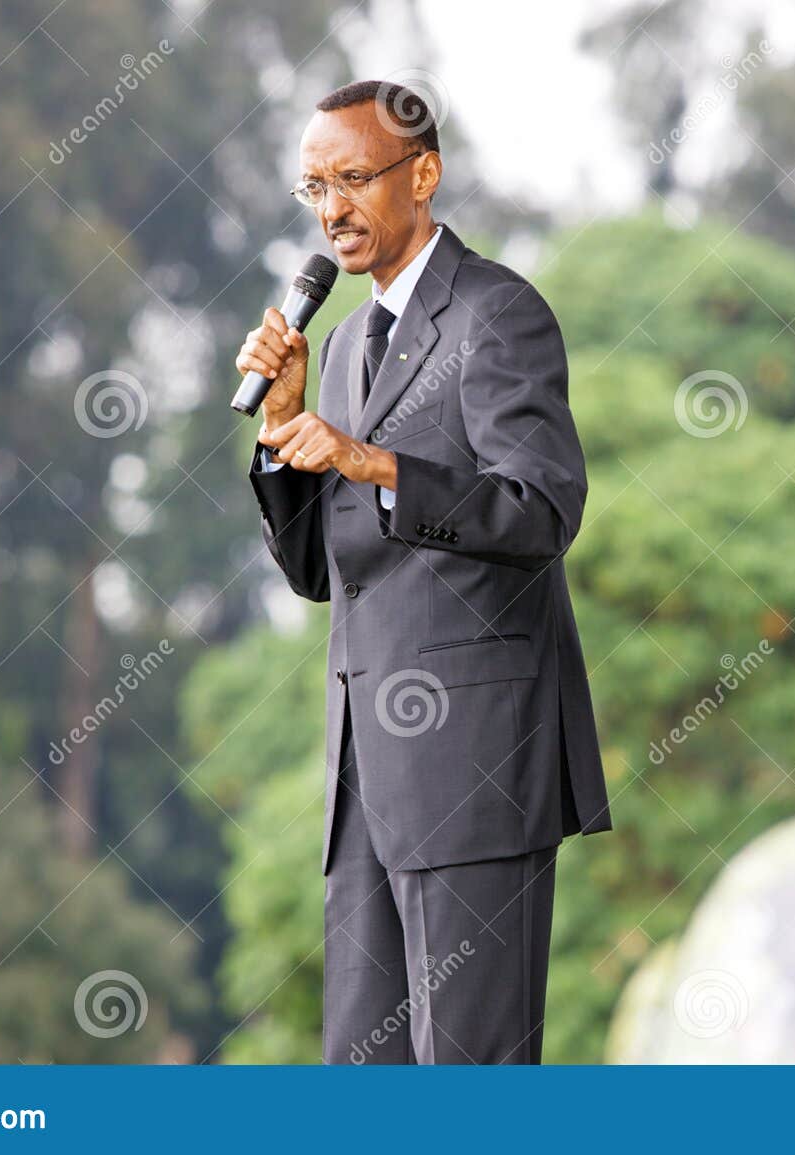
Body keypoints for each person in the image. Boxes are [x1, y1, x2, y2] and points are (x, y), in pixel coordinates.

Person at [237, 80, 611, 1064]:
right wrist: (282, 429)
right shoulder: (351, 340)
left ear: (424, 174)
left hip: (471, 766)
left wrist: (376, 462)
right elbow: (327, 570)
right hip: (365, 775)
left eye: (353, 179)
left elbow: (541, 510)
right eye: (313, 187)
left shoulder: (497, 313)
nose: (331, 210)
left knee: (470, 1076)